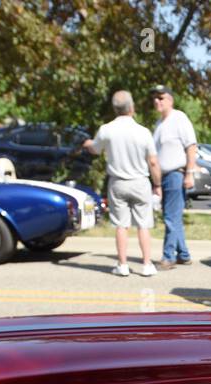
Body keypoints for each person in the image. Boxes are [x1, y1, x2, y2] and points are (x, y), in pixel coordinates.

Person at [83, 90, 161, 277]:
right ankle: (147, 264)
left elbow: (95, 148)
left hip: (117, 182)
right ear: (132, 108)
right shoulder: (143, 132)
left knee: (121, 224)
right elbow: (152, 162)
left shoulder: (106, 130)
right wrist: (157, 184)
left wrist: (87, 144)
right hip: (140, 182)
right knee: (143, 224)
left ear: (115, 109)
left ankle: (123, 265)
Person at [151, 85, 198, 270]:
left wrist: (189, 173)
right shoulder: (159, 123)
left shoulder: (179, 118)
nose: (157, 101)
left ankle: (168, 256)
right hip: (163, 176)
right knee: (173, 217)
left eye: (161, 97)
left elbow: (191, 146)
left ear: (170, 99)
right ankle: (183, 254)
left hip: (175, 174)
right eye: (155, 98)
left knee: (171, 217)